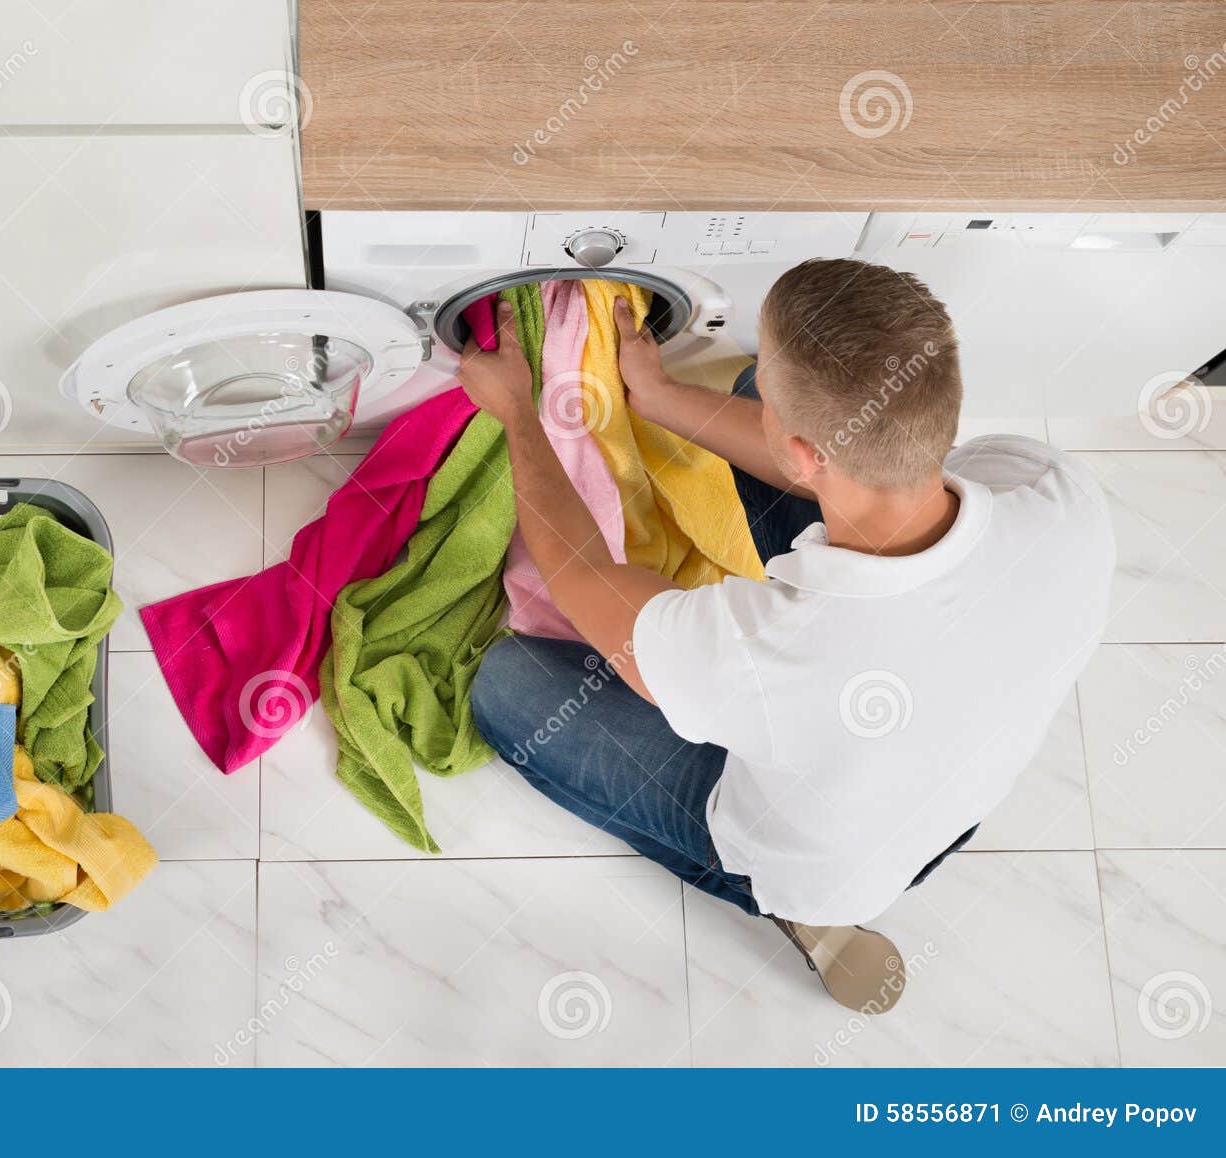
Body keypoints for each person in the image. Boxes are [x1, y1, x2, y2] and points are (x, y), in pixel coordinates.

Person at [458, 259, 1113, 1013]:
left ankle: (790, 906)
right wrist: (660, 397)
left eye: (773, 391)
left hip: (827, 866)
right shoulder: (1056, 491)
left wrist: (518, 412)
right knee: (739, 399)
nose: (762, 387)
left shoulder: (766, 650)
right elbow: (855, 468)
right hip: (945, 807)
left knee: (507, 688)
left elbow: (582, 574)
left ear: (802, 451)